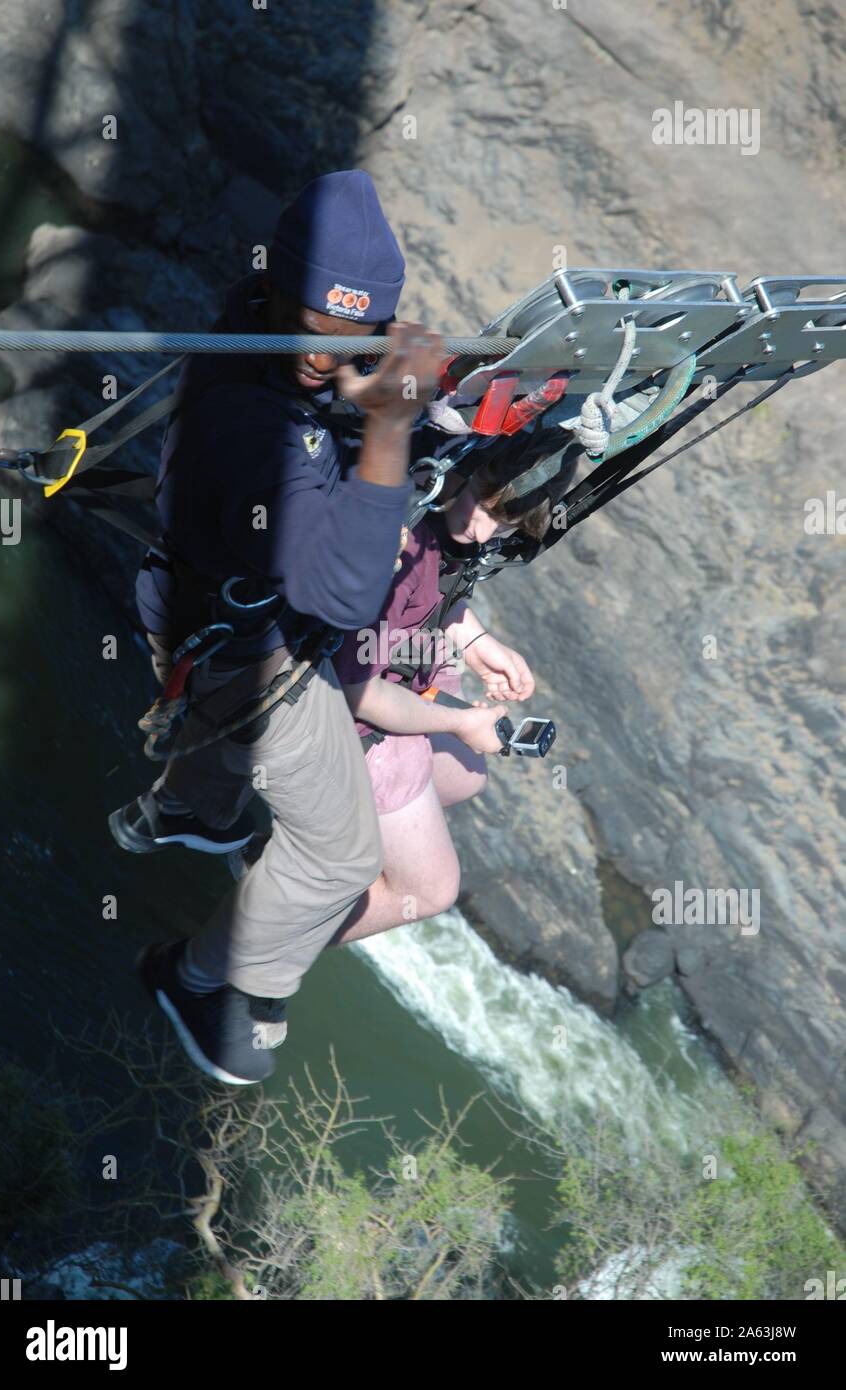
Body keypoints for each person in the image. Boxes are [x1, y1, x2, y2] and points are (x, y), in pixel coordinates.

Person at [110, 169, 444, 1085]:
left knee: (217, 756)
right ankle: (196, 981)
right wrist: (388, 429)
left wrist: (376, 401)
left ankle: (190, 808)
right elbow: (341, 595)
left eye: (351, 336)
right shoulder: (250, 425)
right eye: (309, 327)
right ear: (276, 292)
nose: (320, 355)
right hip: (253, 664)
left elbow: (312, 393)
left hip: (202, 623)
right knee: (343, 853)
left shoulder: (252, 326)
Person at [329, 444, 555, 944]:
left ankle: (322, 854)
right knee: (432, 890)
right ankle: (265, 957)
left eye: (505, 526)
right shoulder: (402, 549)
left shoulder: (445, 534)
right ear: (458, 477)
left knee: (467, 776)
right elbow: (356, 694)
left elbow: (440, 598)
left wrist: (479, 646)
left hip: (395, 689)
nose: (483, 535)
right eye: (485, 508)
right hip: (347, 721)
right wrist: (459, 723)